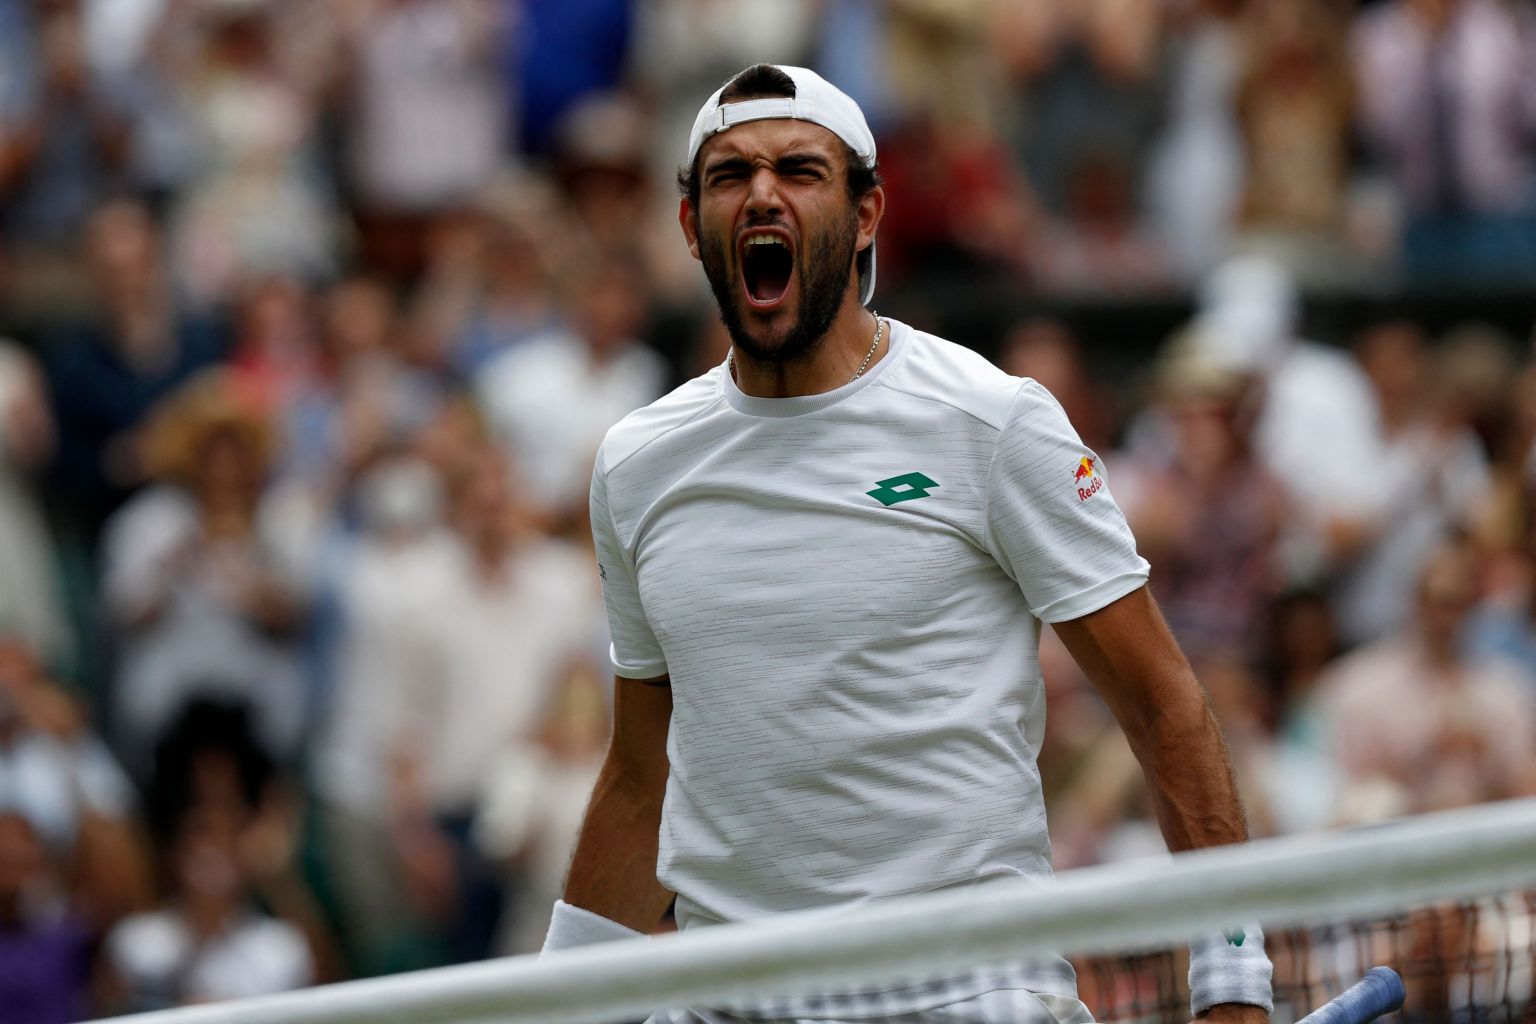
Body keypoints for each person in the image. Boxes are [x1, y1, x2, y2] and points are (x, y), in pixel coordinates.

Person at [544, 64, 1272, 1024]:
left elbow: (1160, 702)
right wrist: (551, 1005)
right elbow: (643, 779)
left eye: (800, 171)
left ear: (868, 214)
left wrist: (1231, 981)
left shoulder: (992, 421)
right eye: (729, 176)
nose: (763, 192)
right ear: (691, 227)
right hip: (725, 999)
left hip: (970, 993)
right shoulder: (636, 465)